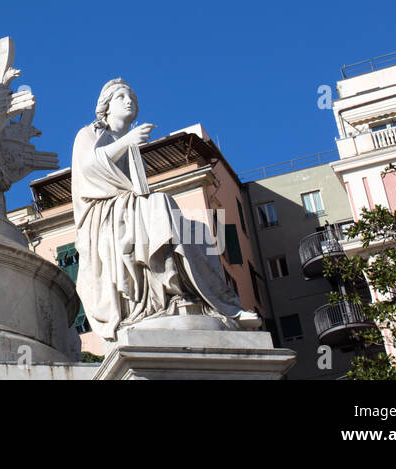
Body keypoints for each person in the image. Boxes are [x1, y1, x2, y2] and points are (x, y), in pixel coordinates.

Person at [71, 78, 258, 341]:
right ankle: (166, 290)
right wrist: (127, 142)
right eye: (122, 97)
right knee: (159, 203)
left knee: (199, 233)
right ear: (106, 106)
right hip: (102, 213)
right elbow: (89, 168)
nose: (129, 101)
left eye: (133, 99)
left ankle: (215, 303)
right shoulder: (89, 134)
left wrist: (129, 144)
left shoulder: (131, 145)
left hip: (128, 206)